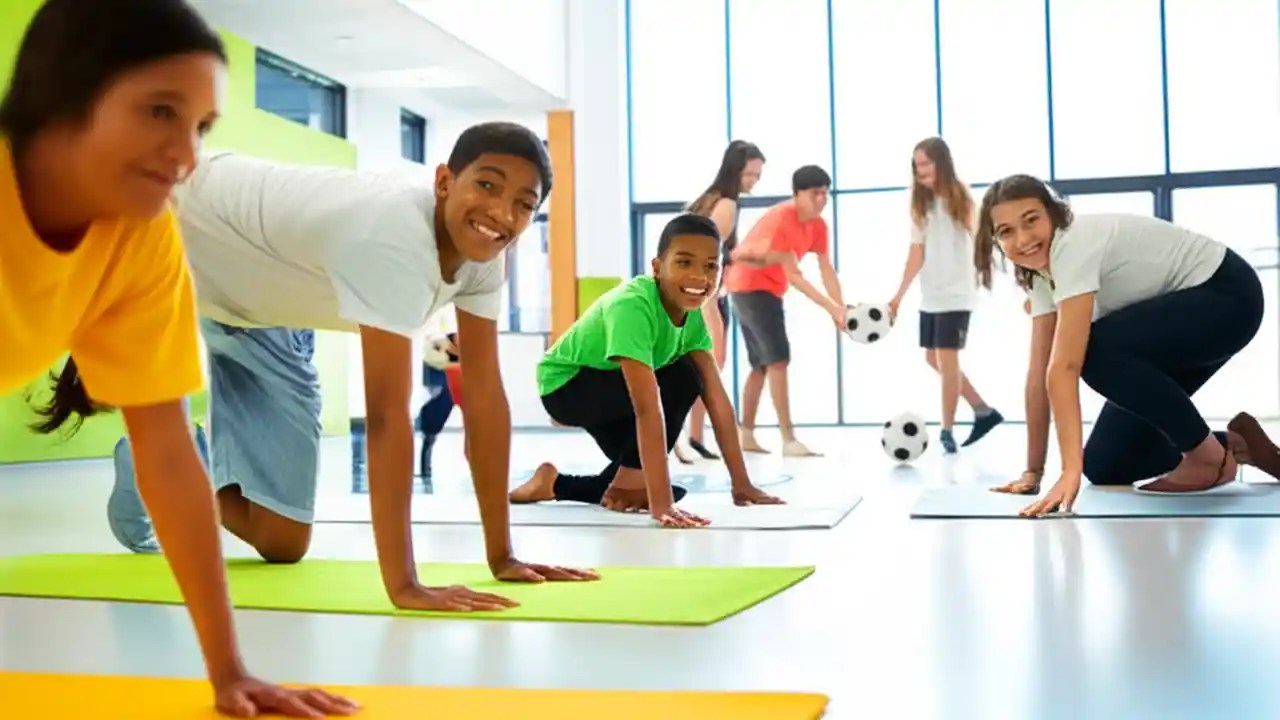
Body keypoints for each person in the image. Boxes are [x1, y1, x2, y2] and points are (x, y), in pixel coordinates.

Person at [0, 1, 357, 716]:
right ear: (62, 95)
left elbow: (166, 450)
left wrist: (229, 672)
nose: (187, 156)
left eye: (200, 127)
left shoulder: (140, 237)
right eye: (160, 111)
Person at [109, 120, 600, 605]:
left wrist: (503, 556)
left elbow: (485, 395)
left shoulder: (485, 257)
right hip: (172, 223)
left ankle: (163, 456)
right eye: (487, 185)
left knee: (281, 541)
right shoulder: (392, 235)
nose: (500, 212)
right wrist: (405, 585)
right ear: (445, 182)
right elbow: (387, 417)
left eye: (523, 204)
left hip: (270, 312)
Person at [973, 174, 1280, 516]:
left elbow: (1066, 367)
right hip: (1180, 325)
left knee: (1095, 351)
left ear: (1053, 215)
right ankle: (1234, 447)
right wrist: (1033, 473)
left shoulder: (1071, 245)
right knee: (1108, 464)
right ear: (996, 241)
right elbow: (1039, 373)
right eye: (1006, 231)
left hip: (1228, 298)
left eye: (1031, 220)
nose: (1023, 238)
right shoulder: (1042, 276)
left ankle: (1206, 457)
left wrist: (1066, 474)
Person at [508, 213, 784, 526]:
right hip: (567, 387)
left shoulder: (689, 312)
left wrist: (742, 484)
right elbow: (648, 407)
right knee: (681, 376)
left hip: (611, 393)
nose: (699, 277)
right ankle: (631, 485)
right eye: (684, 263)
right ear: (656, 268)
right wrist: (661, 503)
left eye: (711, 266)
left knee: (633, 479)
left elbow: (716, 398)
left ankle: (554, 484)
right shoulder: (632, 306)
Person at [887, 138, 1003, 453]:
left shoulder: (959, 198)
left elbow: (983, 237)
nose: (920, 170)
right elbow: (916, 253)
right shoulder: (920, 203)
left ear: (942, 162)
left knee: (947, 360)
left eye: (926, 163)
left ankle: (947, 431)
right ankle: (983, 410)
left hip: (956, 293)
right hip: (931, 294)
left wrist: (988, 272)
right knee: (932, 357)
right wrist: (898, 296)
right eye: (917, 164)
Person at [724, 165, 844, 456]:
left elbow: (826, 269)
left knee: (762, 365)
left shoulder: (818, 226)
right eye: (815, 193)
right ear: (797, 194)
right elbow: (795, 276)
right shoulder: (781, 218)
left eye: (825, 194)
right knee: (778, 359)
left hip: (760, 288)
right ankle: (788, 439)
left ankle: (746, 435)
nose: (821, 200)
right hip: (750, 287)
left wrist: (841, 307)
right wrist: (831, 309)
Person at [674, 140, 765, 463]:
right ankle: (681, 435)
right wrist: (710, 306)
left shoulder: (706, 200)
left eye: (757, 175)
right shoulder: (726, 204)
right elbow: (707, 255)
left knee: (696, 368)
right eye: (751, 174)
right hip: (704, 297)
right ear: (736, 171)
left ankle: (695, 436)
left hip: (690, 295)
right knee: (707, 365)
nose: (754, 181)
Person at [417, 330, 460, 485]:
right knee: (429, 438)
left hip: (452, 397)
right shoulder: (438, 353)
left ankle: (425, 471)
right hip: (437, 406)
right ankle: (425, 472)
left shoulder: (461, 356)